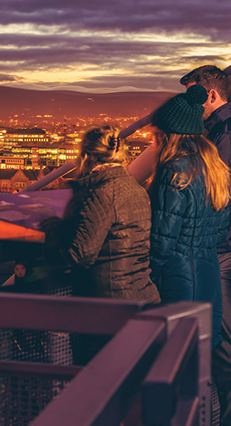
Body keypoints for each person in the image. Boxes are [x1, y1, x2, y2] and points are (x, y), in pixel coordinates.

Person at [44, 124, 160, 362]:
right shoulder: (136, 189)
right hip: (142, 298)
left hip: (107, 309)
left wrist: (54, 228)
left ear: (86, 156)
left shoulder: (101, 192)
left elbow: (80, 254)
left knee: (96, 377)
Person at [181, 65, 231, 426]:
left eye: (194, 96)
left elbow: (228, 198)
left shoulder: (224, 135)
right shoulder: (226, 131)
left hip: (217, 251)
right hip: (220, 248)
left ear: (210, 95)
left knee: (223, 347)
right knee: (215, 344)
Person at [148, 84, 231, 348]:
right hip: (208, 271)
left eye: (157, 135)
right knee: (200, 351)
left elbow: (162, 240)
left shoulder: (174, 171)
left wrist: (147, 276)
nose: (154, 142)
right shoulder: (214, 167)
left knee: (174, 351)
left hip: (178, 277)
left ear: (169, 135)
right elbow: (222, 229)